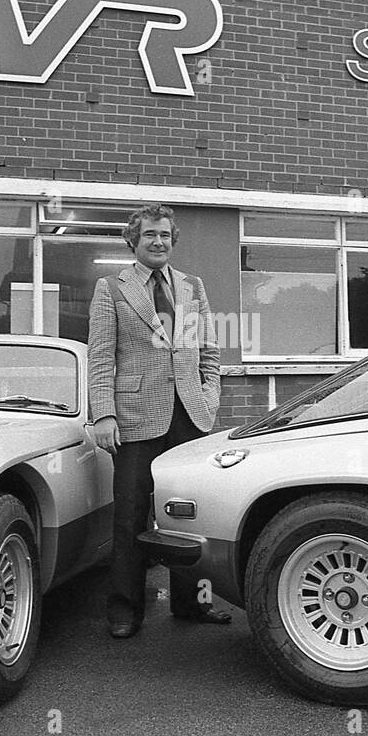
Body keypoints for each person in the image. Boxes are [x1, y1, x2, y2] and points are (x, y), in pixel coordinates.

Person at [87, 203, 231, 638]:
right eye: (150, 234)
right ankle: (125, 610)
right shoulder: (111, 287)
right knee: (131, 517)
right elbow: (100, 357)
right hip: (134, 418)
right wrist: (104, 415)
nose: (159, 242)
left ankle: (190, 605)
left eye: (166, 235)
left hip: (189, 416)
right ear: (133, 241)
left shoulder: (192, 286)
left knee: (188, 516)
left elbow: (208, 349)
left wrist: (209, 396)